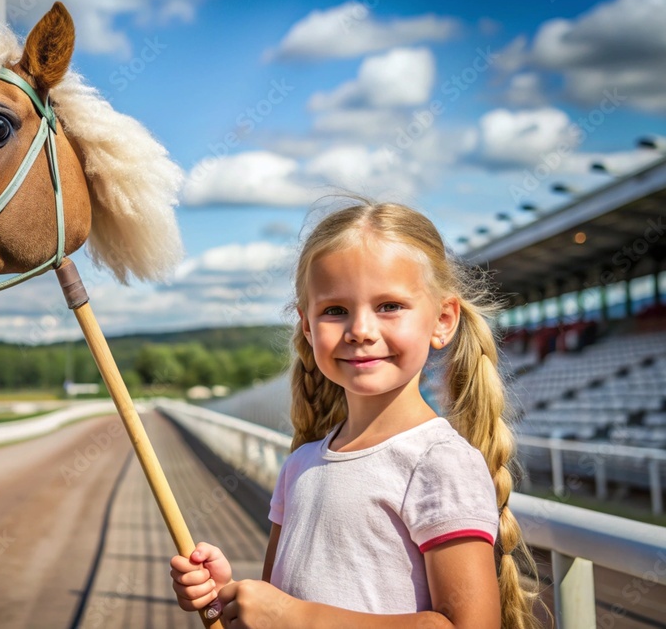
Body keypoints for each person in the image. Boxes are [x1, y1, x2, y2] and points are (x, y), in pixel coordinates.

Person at [170, 198, 543, 628]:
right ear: (307, 327)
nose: (361, 331)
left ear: (443, 320)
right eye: (334, 311)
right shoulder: (299, 465)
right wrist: (225, 599)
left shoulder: (439, 462)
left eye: (389, 306)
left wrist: (298, 618)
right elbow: (278, 611)